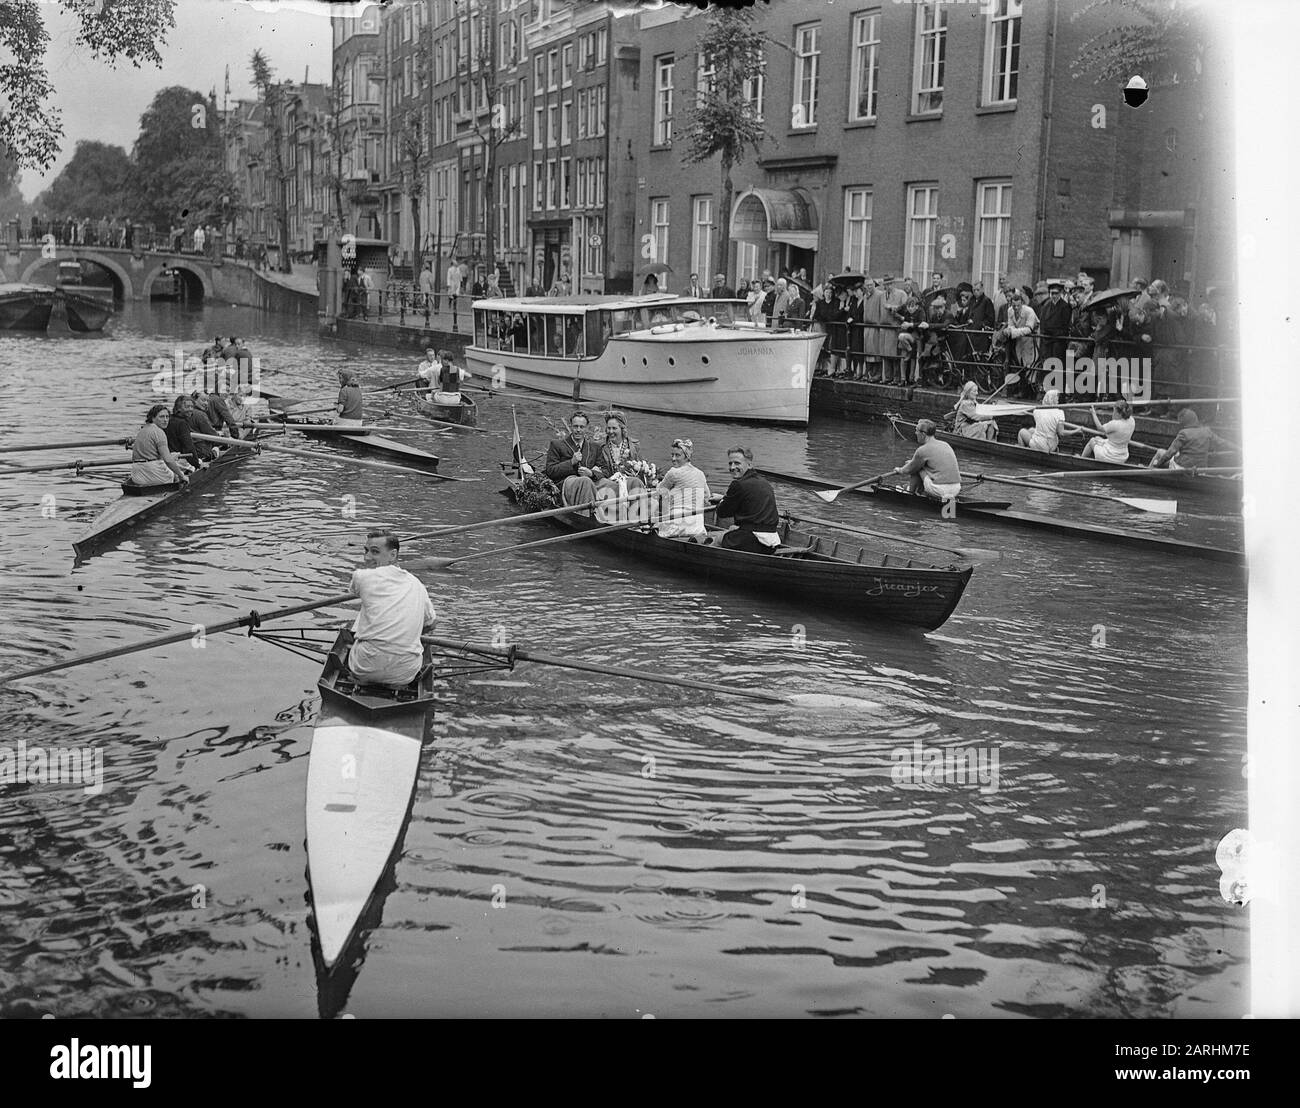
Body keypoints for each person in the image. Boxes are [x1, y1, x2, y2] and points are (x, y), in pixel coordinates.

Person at [345, 531, 437, 687]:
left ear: (393, 554)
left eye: (374, 552)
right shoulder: (418, 585)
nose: (367, 557)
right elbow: (432, 624)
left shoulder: (361, 576)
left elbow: (355, 591)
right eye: (365, 551)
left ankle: (364, 676)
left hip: (365, 669)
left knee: (366, 608)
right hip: (405, 673)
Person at [713, 446, 781, 554]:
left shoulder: (738, 484)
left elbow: (722, 512)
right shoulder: (764, 482)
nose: (732, 467)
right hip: (772, 541)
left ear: (749, 464)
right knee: (732, 529)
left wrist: (722, 501)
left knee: (715, 541)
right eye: (730, 463)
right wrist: (723, 498)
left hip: (753, 540)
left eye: (737, 463)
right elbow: (747, 498)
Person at [651, 438, 712, 539]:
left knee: (653, 519)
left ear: (686, 457)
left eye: (677, 455)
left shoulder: (673, 472)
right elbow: (707, 498)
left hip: (677, 524)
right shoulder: (700, 474)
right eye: (672, 455)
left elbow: (659, 491)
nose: (673, 459)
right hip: (697, 527)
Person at [893, 418, 962, 501]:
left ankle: (910, 493)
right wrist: (912, 463)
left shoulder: (922, 450)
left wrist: (899, 470)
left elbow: (908, 469)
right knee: (918, 465)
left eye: (916, 430)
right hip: (956, 489)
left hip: (940, 490)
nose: (915, 433)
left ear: (923, 434)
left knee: (917, 468)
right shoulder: (945, 444)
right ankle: (919, 491)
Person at [544, 411, 603, 506]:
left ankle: (613, 512)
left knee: (607, 483)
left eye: (582, 427)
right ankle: (587, 513)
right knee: (585, 481)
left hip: (590, 483)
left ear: (587, 428)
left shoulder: (595, 447)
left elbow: (605, 471)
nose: (578, 430)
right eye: (575, 426)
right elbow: (550, 471)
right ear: (571, 426)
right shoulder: (557, 444)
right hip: (565, 485)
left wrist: (591, 473)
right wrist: (571, 462)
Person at [1148, 408, 1234, 470]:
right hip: (1201, 468)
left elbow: (1170, 453)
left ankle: (1148, 470)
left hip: (1183, 467)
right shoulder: (1207, 431)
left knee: (1160, 452)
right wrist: (1239, 449)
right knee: (1176, 454)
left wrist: (1158, 464)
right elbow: (1223, 443)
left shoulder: (1183, 433)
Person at [129, 405, 192, 487]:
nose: (165, 420)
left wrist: (171, 457)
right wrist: (182, 475)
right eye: (161, 417)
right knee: (178, 473)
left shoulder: (143, 430)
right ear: (153, 418)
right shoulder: (159, 432)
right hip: (153, 474)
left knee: (172, 461)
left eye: (167, 417)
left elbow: (153, 455)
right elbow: (168, 460)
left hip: (136, 476)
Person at [591, 410, 644, 491]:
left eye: (614, 428)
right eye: (608, 428)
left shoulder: (634, 446)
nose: (611, 431)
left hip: (629, 484)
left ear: (622, 429)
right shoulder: (599, 446)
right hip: (608, 485)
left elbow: (640, 469)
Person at [165, 395, 217, 463]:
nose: (190, 409)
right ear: (178, 408)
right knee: (215, 450)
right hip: (181, 457)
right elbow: (188, 446)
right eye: (187, 407)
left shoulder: (170, 419)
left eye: (192, 407)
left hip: (174, 454)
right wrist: (197, 464)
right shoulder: (182, 423)